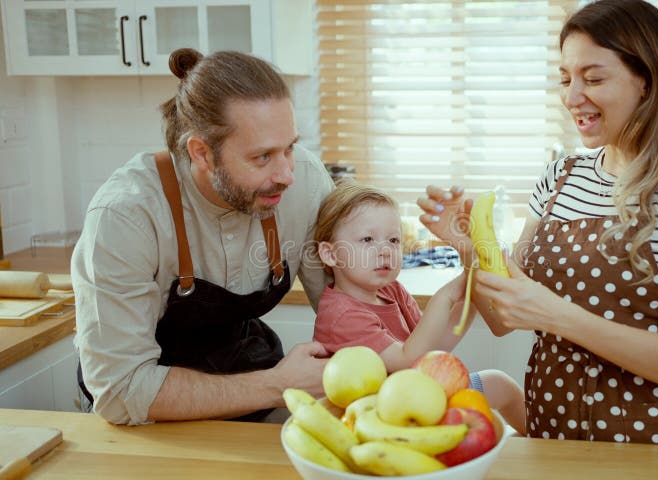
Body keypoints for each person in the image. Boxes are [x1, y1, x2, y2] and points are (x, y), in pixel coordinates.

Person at [418, 1, 658, 478]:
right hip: (555, 446)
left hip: (655, 455)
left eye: (593, 78)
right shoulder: (560, 177)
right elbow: (504, 316)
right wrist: (467, 246)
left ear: (647, 79)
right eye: (565, 77)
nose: (571, 97)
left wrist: (556, 314)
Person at [71, 48, 335, 425]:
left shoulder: (305, 182)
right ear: (201, 153)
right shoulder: (126, 215)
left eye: (289, 148)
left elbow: (350, 306)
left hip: (249, 376)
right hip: (141, 420)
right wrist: (278, 384)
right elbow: (119, 390)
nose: (287, 174)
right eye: (262, 157)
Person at [312, 180, 526, 434]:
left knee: (502, 385)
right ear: (330, 254)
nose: (384, 251)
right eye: (367, 239)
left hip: (416, 397)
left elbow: (435, 345)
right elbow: (407, 360)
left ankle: (545, 447)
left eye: (393, 240)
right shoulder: (341, 315)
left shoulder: (391, 290)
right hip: (383, 421)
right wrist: (444, 297)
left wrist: (471, 278)